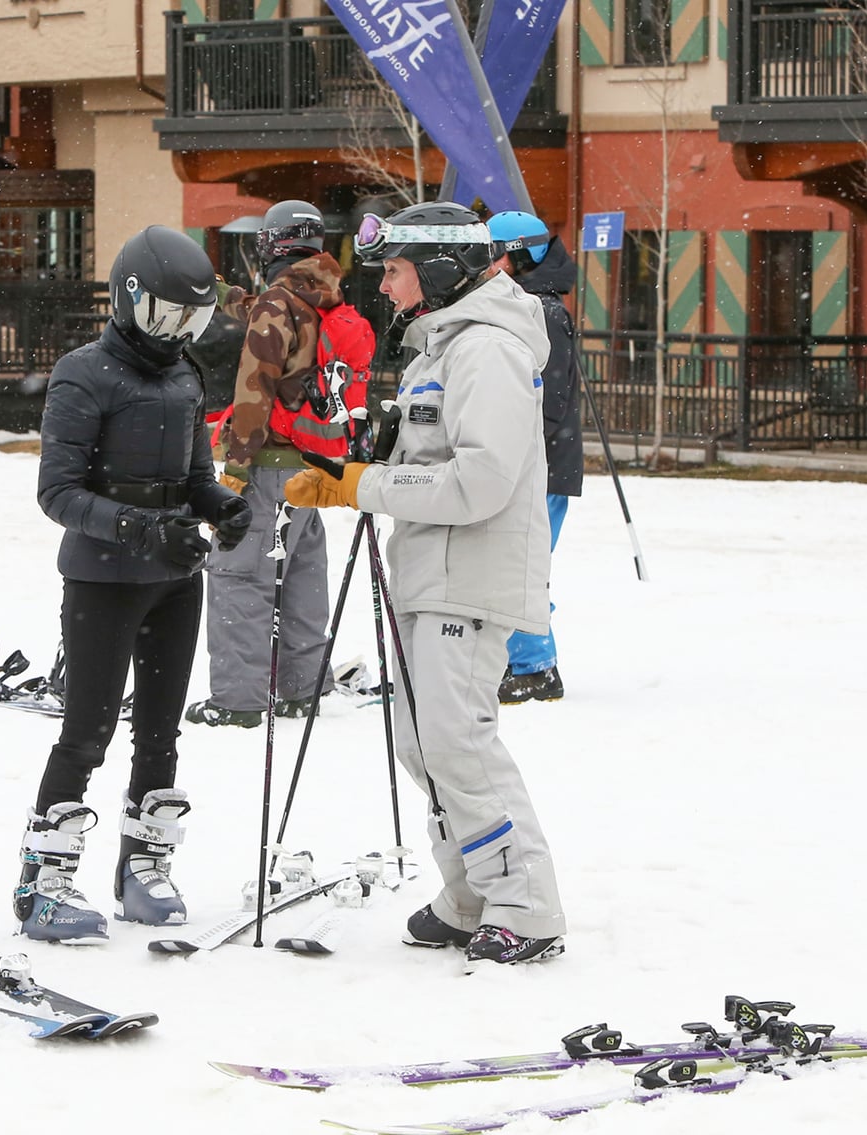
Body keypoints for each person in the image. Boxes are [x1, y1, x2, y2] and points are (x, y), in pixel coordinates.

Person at [284, 202, 566, 965]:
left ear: (439, 269)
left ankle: (526, 903)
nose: (385, 283)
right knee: (420, 741)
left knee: (458, 741)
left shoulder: (488, 353)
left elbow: (481, 482)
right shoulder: (440, 350)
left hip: (471, 576)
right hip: (429, 574)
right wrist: (354, 470)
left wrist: (364, 486)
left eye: (396, 268)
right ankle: (472, 891)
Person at [19, 225, 252, 943]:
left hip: (175, 579)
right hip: (103, 579)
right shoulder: (83, 373)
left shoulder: (184, 374)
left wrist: (221, 506)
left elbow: (193, 476)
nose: (178, 334)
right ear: (128, 301)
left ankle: (143, 867)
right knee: (86, 732)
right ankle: (43, 881)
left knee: (160, 732)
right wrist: (141, 527)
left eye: (193, 320)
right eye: (166, 316)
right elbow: (57, 491)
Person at [186, 199, 365, 728]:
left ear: (274, 245)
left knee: (239, 575)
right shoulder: (324, 294)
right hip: (315, 464)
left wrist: (234, 470)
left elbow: (254, 391)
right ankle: (301, 690)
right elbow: (275, 316)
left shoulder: (279, 303)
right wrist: (227, 296)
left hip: (266, 464)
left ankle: (237, 701)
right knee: (302, 574)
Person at [485, 210, 584, 704]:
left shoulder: (541, 311)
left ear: (519, 256)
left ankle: (534, 667)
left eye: (492, 255)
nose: (484, 266)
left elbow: (550, 399)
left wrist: (513, 447)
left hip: (541, 464)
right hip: (532, 460)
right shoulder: (526, 304)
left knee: (521, 564)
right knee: (514, 561)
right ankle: (518, 659)